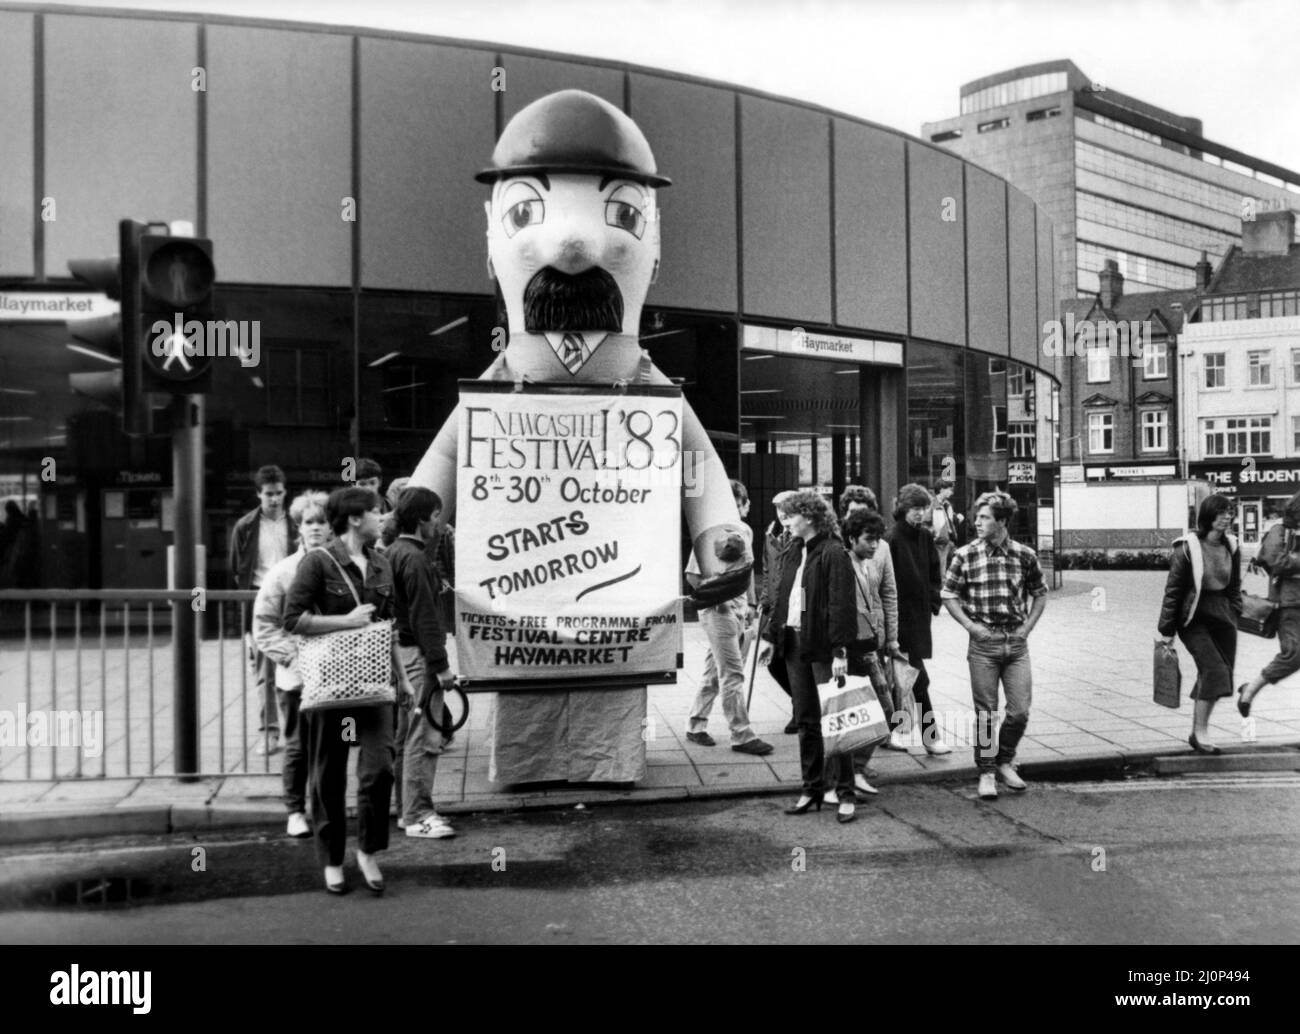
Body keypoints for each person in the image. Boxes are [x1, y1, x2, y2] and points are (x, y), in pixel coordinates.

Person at [283, 487, 412, 895]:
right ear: (355, 518)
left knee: (379, 769)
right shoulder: (317, 563)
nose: (384, 519)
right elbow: (292, 619)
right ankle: (333, 858)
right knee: (328, 775)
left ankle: (368, 849)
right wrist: (347, 621)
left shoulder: (381, 562)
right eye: (377, 512)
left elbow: (386, 628)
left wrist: (403, 679)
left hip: (375, 686)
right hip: (331, 687)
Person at [758, 489, 859, 823]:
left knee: (835, 720)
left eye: (792, 515)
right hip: (793, 643)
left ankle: (846, 793)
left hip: (822, 645)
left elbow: (842, 606)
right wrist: (773, 638)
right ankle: (811, 788)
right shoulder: (794, 550)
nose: (787, 520)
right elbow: (782, 597)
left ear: (811, 517)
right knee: (806, 720)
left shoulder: (832, 552)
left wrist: (840, 650)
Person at [943, 490, 1048, 799]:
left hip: (1016, 644)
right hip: (984, 644)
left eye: (985, 517)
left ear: (1002, 521)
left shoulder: (1024, 555)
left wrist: (1027, 628)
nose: (977, 522)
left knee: (1019, 712)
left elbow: (1040, 593)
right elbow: (948, 595)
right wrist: (970, 627)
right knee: (986, 713)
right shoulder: (965, 555)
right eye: (977, 517)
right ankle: (987, 771)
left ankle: (1005, 760)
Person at [252, 490, 331, 838]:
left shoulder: (342, 568)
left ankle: (325, 807)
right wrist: (293, 656)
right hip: (296, 678)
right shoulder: (283, 572)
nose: (315, 528)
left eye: (322, 521)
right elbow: (264, 625)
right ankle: (295, 811)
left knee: (330, 747)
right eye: (308, 522)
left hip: (335, 678)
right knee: (298, 746)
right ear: (298, 527)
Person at [388, 486, 459, 838]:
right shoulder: (415, 559)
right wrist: (442, 666)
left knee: (406, 736)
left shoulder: (394, 553)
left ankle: (407, 811)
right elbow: (426, 619)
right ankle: (419, 815)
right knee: (424, 737)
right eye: (435, 515)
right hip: (419, 657)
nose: (438, 522)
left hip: (402, 656)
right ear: (421, 519)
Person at [684, 480, 773, 756]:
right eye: (729, 508)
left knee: (715, 670)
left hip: (737, 611)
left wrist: (750, 604)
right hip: (719, 612)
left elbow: (746, 571)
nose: (734, 513)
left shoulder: (744, 532)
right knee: (732, 673)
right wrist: (716, 600)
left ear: (746, 507)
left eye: (739, 506)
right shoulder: (712, 536)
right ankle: (741, 734)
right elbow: (693, 575)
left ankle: (695, 724)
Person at [1157, 494, 1242, 754]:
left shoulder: (1232, 546)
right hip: (1194, 618)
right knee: (1214, 670)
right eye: (1221, 513)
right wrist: (1167, 630)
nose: (1227, 517)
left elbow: (1235, 585)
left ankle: (1199, 730)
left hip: (1223, 616)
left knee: (1220, 672)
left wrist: (1235, 610)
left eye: (1229, 512)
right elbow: (1173, 591)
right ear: (1207, 516)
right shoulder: (1187, 547)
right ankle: (1200, 733)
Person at [825, 508, 898, 800]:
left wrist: (887, 637)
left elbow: (885, 595)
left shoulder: (865, 562)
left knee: (886, 714)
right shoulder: (844, 564)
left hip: (869, 647)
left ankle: (854, 771)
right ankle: (841, 777)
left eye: (878, 539)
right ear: (852, 537)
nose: (875, 545)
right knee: (856, 717)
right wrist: (839, 651)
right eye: (869, 539)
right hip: (852, 650)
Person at [229, 465, 298, 755]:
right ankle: (269, 732)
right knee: (264, 670)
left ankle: (297, 730)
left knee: (298, 663)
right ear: (259, 494)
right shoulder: (245, 526)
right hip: (260, 597)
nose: (274, 499)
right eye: (268, 494)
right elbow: (237, 568)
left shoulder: (296, 523)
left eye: (279, 493)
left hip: (293, 596)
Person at [886, 484, 952, 755]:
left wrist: (934, 601)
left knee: (904, 679)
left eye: (924, 508)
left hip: (919, 618)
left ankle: (895, 732)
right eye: (915, 508)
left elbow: (935, 572)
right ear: (903, 509)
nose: (920, 514)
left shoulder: (925, 537)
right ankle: (926, 736)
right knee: (914, 679)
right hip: (898, 620)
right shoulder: (891, 539)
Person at [1239, 490, 1300, 718]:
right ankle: (1250, 689)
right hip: (1289, 604)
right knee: (1294, 654)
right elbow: (1275, 560)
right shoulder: (1279, 531)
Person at [757, 491, 797, 731]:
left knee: (791, 661)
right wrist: (764, 599)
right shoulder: (772, 534)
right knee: (774, 663)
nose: (782, 513)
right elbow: (767, 570)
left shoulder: (800, 537)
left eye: (787, 508)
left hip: (792, 610)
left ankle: (801, 708)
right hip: (774, 610)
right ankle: (800, 701)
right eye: (778, 508)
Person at [932, 478, 963, 575]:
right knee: (943, 570)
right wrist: (936, 537)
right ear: (942, 489)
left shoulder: (946, 505)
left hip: (949, 540)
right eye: (950, 489)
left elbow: (948, 522)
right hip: (941, 542)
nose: (951, 493)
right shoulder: (933, 505)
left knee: (956, 566)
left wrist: (956, 519)